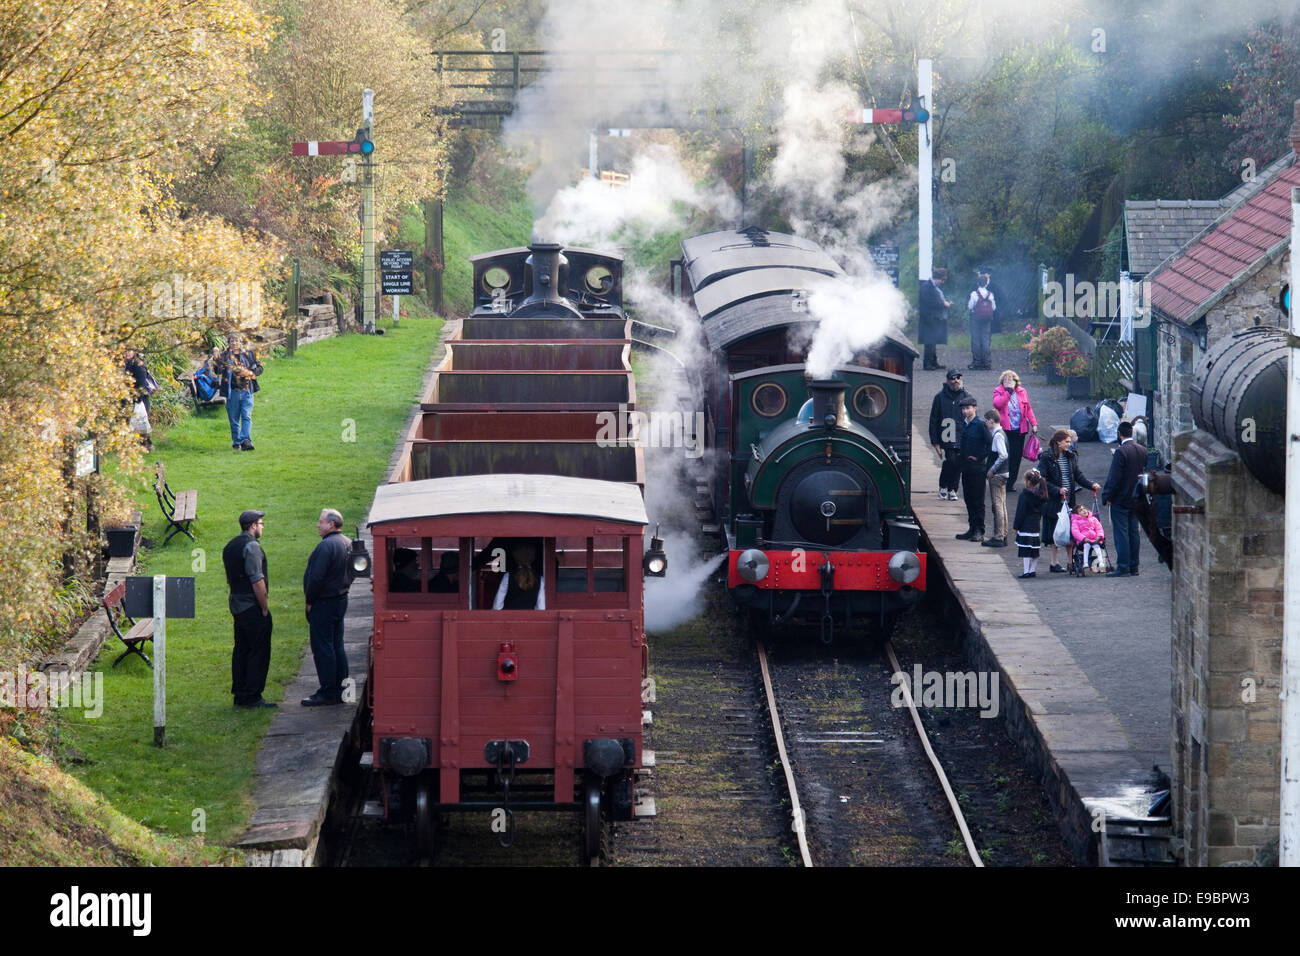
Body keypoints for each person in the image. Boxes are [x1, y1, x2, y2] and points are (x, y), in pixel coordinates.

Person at [224, 509, 274, 708]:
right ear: (253, 525)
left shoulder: (230, 546)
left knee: (241, 650)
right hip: (252, 606)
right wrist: (264, 608)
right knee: (258, 651)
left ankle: (240, 694)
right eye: (261, 523)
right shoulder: (252, 547)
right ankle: (253, 696)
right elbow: (257, 581)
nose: (262, 527)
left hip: (236, 604)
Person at [302, 508, 351, 706]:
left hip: (324, 602)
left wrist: (309, 600)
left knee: (323, 647)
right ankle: (341, 689)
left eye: (321, 521)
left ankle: (327, 692)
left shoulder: (326, 546)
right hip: (341, 599)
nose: (318, 524)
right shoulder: (347, 543)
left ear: (331, 524)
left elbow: (316, 578)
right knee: (337, 645)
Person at [1038, 429, 1100, 573]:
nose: (1069, 444)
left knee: (1070, 532)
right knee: (1054, 532)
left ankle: (1071, 561)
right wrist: (1057, 489)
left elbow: (1078, 475)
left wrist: (1091, 485)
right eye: (1066, 441)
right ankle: (1054, 563)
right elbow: (1042, 479)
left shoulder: (1070, 457)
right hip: (1053, 501)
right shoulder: (1046, 458)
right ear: (1058, 442)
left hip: (1069, 500)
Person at [1101, 420, 1147, 577]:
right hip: (1136, 497)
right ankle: (1134, 566)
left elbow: (1115, 477)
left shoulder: (1121, 452)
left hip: (1121, 498)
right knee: (1134, 532)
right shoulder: (1142, 449)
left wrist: (1107, 496)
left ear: (1119, 434)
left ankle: (1123, 566)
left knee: (1121, 533)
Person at [928, 369, 972, 500]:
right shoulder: (939, 397)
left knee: (958, 462)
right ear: (947, 380)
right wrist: (934, 441)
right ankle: (944, 486)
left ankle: (953, 489)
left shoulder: (966, 396)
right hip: (947, 434)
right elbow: (933, 419)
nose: (956, 380)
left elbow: (971, 416)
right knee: (951, 460)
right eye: (953, 378)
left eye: (958, 377)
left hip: (962, 434)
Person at [991, 370, 1038, 491]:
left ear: (1016, 381)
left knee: (1016, 457)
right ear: (1002, 381)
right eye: (1006, 379)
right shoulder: (998, 391)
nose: (1008, 381)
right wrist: (1008, 392)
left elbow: (1028, 409)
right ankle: (1001, 481)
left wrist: (1034, 424)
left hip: (1019, 430)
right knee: (1005, 456)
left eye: (1011, 379)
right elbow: (998, 404)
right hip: (1005, 430)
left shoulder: (1022, 391)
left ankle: (1010, 483)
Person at [215, 333, 263, 451]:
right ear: (229, 343)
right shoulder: (224, 356)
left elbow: (260, 368)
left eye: (237, 341)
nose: (234, 343)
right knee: (234, 419)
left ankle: (245, 440)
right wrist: (216, 359)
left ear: (240, 342)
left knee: (246, 416)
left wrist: (251, 373)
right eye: (232, 341)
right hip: (232, 392)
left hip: (247, 390)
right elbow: (218, 371)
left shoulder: (249, 354)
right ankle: (237, 442)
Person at [955, 396, 992, 542]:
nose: (965, 411)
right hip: (966, 467)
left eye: (968, 408)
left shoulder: (980, 425)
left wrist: (980, 457)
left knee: (978, 500)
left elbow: (990, 444)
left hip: (977, 468)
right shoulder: (964, 424)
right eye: (963, 409)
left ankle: (979, 530)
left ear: (974, 408)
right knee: (969, 499)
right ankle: (972, 528)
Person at [1013, 470, 1050, 578]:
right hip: (1035, 526)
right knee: (1034, 549)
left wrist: (1016, 526)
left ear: (1028, 482)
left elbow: (1020, 512)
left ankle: (1026, 571)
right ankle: (1032, 570)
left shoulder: (1024, 495)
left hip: (1025, 526)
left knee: (1025, 550)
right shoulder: (1041, 495)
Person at [981, 409, 1009, 547]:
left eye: (986, 420)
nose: (986, 423)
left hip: (997, 475)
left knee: (997, 505)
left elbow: (1003, 455)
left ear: (991, 420)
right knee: (1002, 505)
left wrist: (992, 470)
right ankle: (1004, 534)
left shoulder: (997, 435)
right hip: (1004, 474)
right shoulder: (1002, 433)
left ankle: (998, 537)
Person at [492, 541, 545, 610]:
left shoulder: (507, 577)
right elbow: (541, 607)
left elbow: (497, 606)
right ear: (533, 558)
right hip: (529, 619)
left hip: (509, 618)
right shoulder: (540, 579)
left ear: (515, 557)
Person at [918, 268, 952, 370]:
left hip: (934, 318)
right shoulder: (926, 287)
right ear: (937, 278)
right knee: (929, 342)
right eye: (942, 280)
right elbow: (928, 302)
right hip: (928, 318)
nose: (942, 282)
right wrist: (943, 304)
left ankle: (933, 362)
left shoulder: (931, 287)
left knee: (933, 341)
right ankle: (927, 364)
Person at [967, 273, 996, 370]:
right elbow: (994, 307)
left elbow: (970, 306)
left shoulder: (974, 294)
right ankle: (987, 363)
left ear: (977, 283)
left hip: (976, 318)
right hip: (987, 319)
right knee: (986, 340)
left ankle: (977, 362)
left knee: (976, 340)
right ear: (986, 283)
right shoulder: (990, 294)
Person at [1071, 503, 1105, 571]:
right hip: (1083, 541)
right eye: (1080, 510)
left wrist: (1099, 536)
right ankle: (1085, 563)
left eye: (1084, 509)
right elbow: (1075, 532)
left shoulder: (1093, 519)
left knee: (1097, 546)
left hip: (1095, 539)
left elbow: (1099, 528)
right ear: (1077, 514)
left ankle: (1101, 562)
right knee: (1086, 546)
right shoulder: (1076, 521)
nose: (1084, 510)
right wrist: (1083, 538)